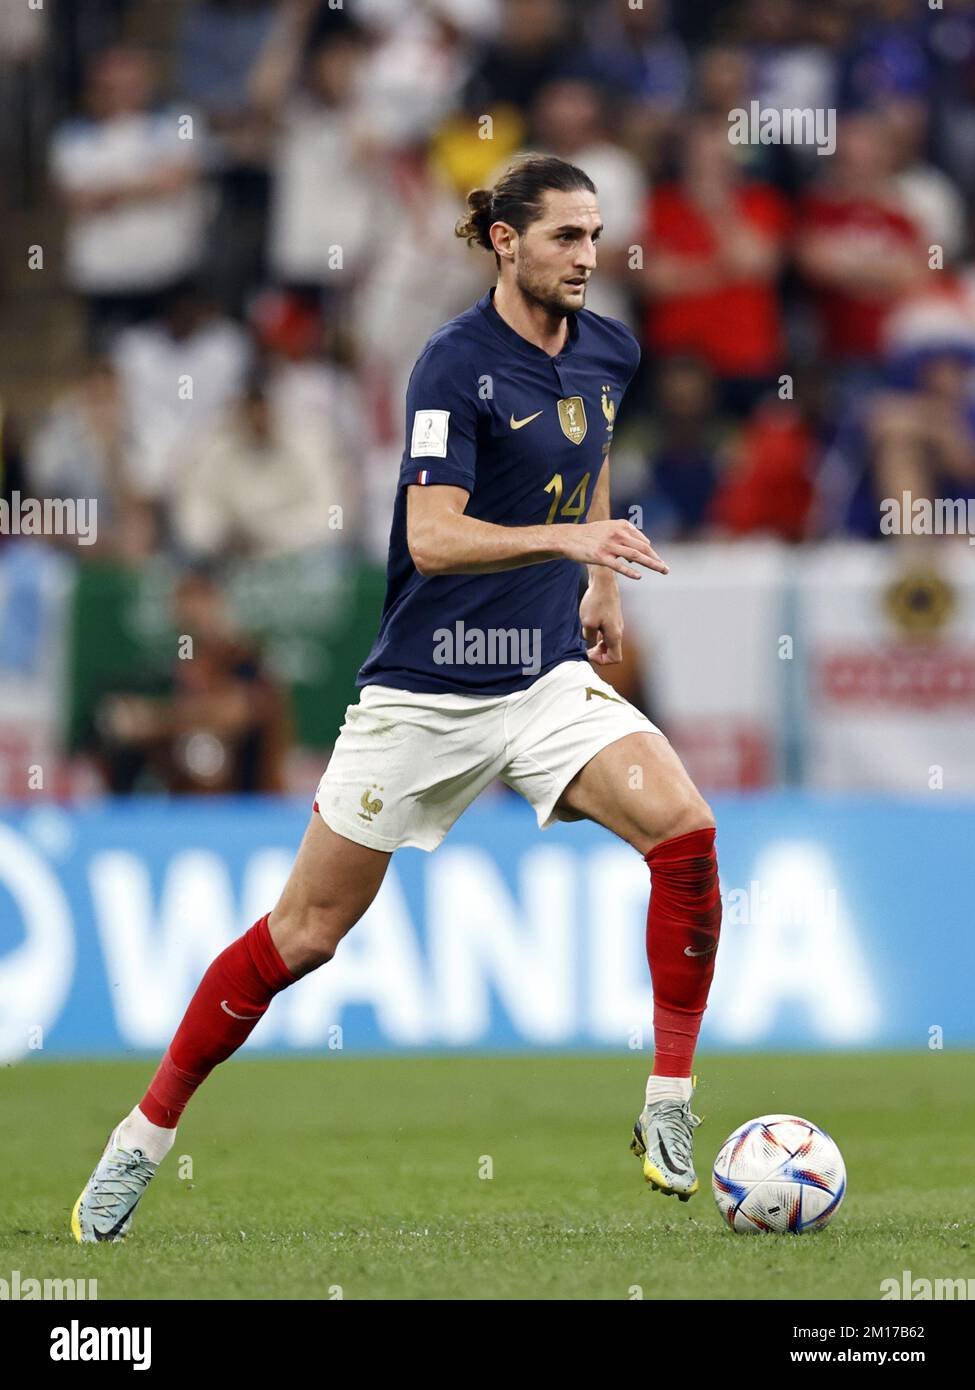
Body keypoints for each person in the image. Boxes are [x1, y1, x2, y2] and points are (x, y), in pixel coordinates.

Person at [71, 153, 722, 1243]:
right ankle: (138, 1139)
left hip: (548, 673)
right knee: (306, 932)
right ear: (506, 241)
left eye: (596, 235)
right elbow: (433, 534)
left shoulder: (610, 346)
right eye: (566, 235)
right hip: (424, 694)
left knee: (689, 831)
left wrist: (599, 579)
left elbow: (592, 450)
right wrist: (571, 538)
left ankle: (667, 1104)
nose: (588, 256)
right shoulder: (451, 365)